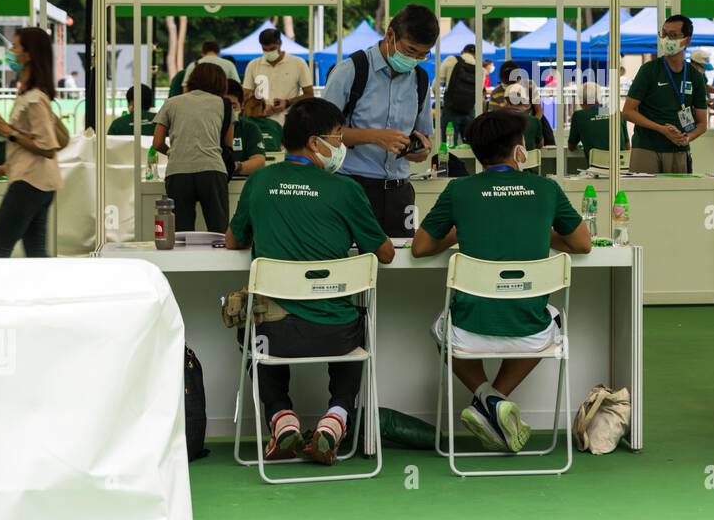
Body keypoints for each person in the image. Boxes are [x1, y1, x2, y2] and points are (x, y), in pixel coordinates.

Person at [226, 98, 395, 464]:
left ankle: (282, 420)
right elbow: (384, 253)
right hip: (337, 334)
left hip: (274, 335)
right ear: (316, 142)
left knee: (253, 324)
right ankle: (335, 420)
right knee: (358, 320)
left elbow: (232, 241)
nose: (341, 146)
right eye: (337, 137)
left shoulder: (259, 182)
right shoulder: (346, 190)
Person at [412, 110, 591, 452]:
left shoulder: (459, 189)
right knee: (553, 321)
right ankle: (495, 401)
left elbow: (421, 247)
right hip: (531, 332)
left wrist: (458, 233)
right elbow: (582, 244)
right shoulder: (545, 188)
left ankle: (487, 399)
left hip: (467, 330)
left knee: (440, 328)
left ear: (477, 152)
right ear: (518, 148)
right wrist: (541, 231)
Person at [322, 3, 437, 236]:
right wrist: (374, 137)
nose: (414, 59)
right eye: (409, 50)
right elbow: (321, 134)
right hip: (352, 187)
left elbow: (423, 135)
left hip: (400, 191)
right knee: (352, 262)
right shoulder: (351, 71)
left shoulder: (421, 79)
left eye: (422, 55)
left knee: (401, 264)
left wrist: (421, 150)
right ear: (390, 35)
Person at [0, 28, 63, 257]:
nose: (11, 52)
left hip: (29, 181)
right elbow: (33, 134)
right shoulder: (31, 95)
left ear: (29, 55)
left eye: (15, 47)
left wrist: (9, 133)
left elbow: (47, 147)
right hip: (39, 182)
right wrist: (1, 125)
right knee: (36, 252)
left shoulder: (34, 99)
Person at [153, 62, 234, 232]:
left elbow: (157, 142)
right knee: (219, 232)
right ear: (220, 83)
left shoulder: (171, 103)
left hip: (178, 172)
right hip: (212, 171)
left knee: (181, 234)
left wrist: (173, 153)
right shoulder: (224, 104)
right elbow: (228, 144)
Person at [622, 14, 708, 174]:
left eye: (673, 35)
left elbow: (703, 124)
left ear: (687, 40)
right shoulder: (649, 70)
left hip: (678, 150)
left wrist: (687, 138)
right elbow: (628, 112)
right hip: (646, 147)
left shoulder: (695, 76)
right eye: (664, 34)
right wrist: (661, 129)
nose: (667, 39)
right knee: (643, 196)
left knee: (677, 197)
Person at [242, 27, 313, 128]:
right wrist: (261, 107)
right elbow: (246, 95)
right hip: (259, 124)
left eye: (272, 49)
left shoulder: (298, 63)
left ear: (280, 44)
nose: (269, 52)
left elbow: (309, 95)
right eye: (265, 49)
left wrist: (287, 102)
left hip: (288, 123)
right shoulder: (253, 65)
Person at [567, 81, 629, 165]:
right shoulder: (616, 113)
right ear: (598, 98)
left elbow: (571, 147)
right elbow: (627, 146)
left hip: (597, 168)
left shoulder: (579, 116)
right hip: (620, 168)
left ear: (581, 100)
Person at [225, 79, 266, 177]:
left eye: (233, 106)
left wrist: (234, 167)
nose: (228, 110)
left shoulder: (249, 128)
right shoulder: (208, 127)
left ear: (241, 106)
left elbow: (259, 162)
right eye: (224, 106)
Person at [440, 43, 479, 145]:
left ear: (462, 51)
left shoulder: (451, 60)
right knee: (471, 147)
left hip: (451, 109)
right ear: (476, 55)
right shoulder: (480, 67)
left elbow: (436, 85)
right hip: (470, 110)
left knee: (449, 146)